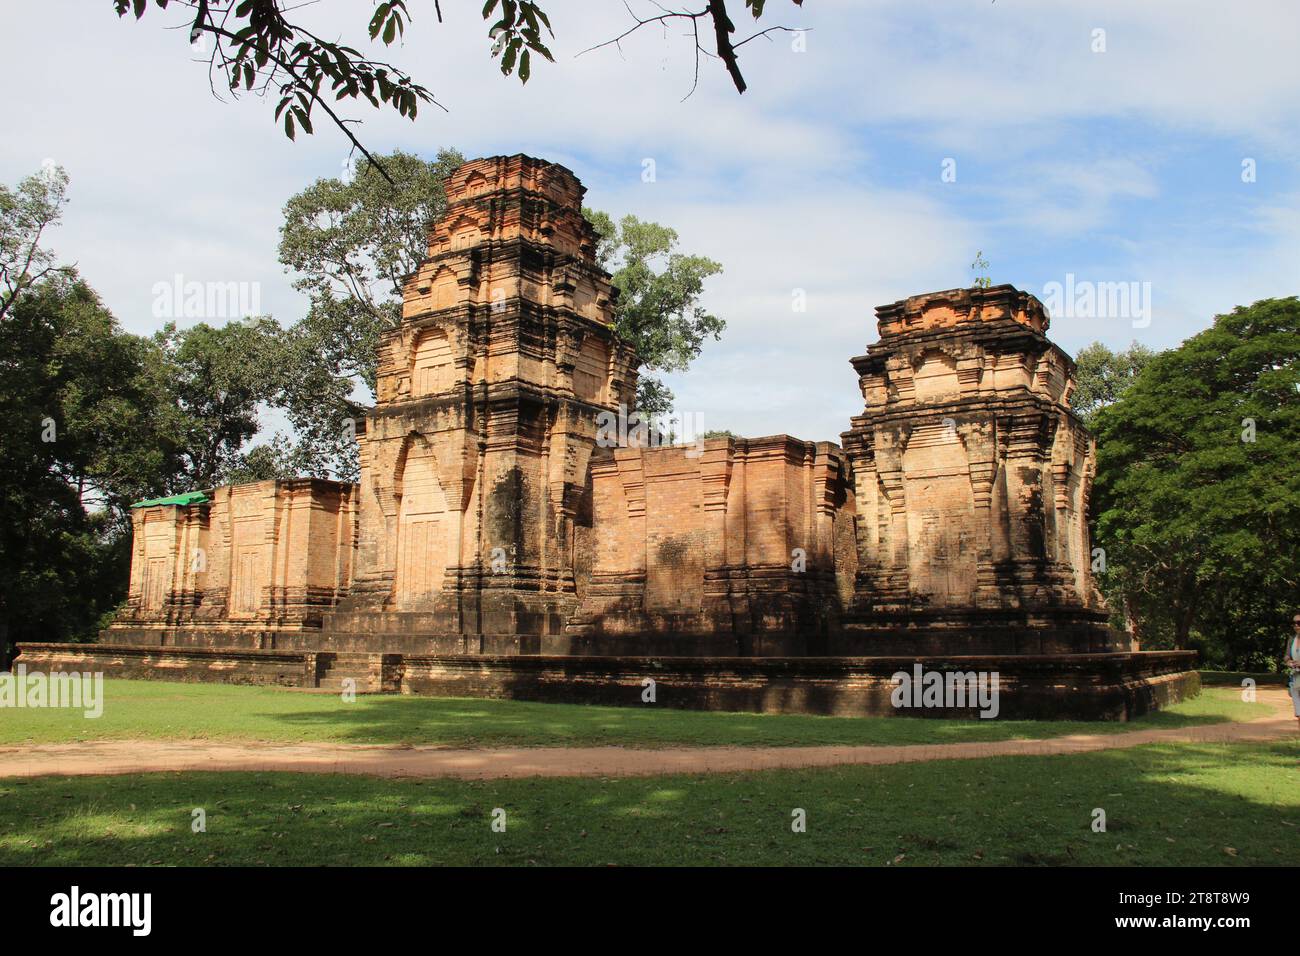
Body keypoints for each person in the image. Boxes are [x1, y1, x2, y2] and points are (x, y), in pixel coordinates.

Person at [1286, 612, 1300, 730]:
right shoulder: (1291, 639)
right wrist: (1289, 662)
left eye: (1299, 623)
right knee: (1299, 713)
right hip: (1295, 678)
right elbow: (1286, 656)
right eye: (1294, 623)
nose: (1296, 625)